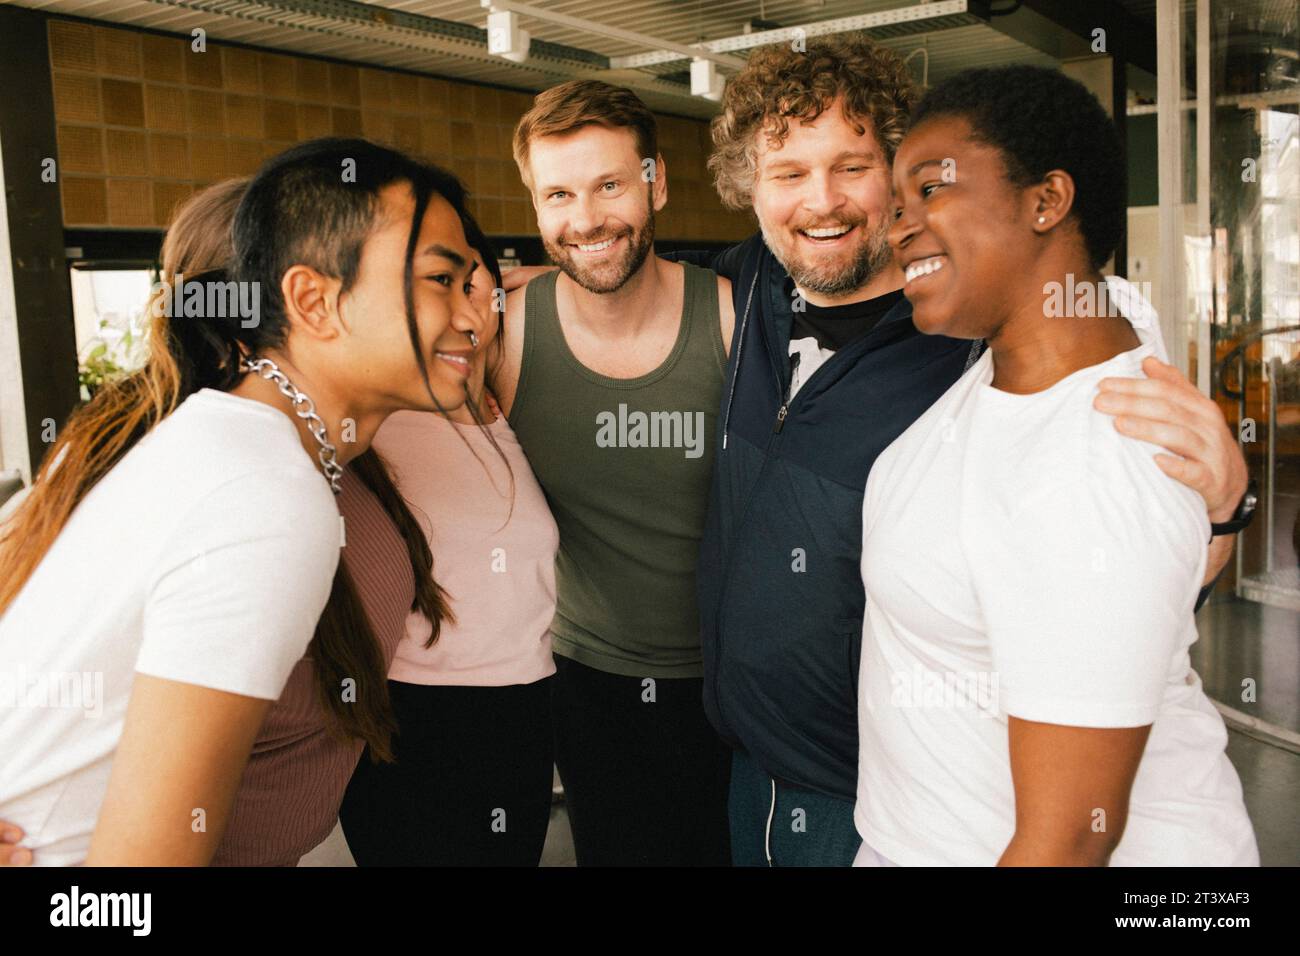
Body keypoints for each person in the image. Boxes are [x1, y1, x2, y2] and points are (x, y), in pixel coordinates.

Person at [656, 34, 1249, 865]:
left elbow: (1072, 821)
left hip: (874, 797)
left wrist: (1221, 514)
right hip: (775, 778)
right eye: (787, 174)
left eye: (859, 169)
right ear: (751, 192)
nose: (821, 202)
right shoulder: (757, 285)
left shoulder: (1009, 357)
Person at [0, 137, 480, 865]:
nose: (474, 315)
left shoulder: (248, 451)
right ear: (312, 300)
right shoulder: (265, 493)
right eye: (441, 279)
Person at [854, 64, 1257, 866]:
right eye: (898, 204)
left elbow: (1068, 842)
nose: (897, 230)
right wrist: (1225, 509)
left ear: (1047, 200)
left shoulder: (1096, 455)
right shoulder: (1052, 354)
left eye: (931, 190)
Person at [491, 80, 737, 865]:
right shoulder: (505, 335)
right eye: (558, 194)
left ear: (654, 182)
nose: (586, 219)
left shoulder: (733, 317)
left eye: (608, 185)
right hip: (588, 682)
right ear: (535, 206)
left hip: (732, 682)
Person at [340, 224, 560, 866]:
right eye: (438, 286)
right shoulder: (376, 415)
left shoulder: (504, 406)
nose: (461, 307)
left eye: (474, 282)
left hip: (525, 706)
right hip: (410, 716)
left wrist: (546, 278)